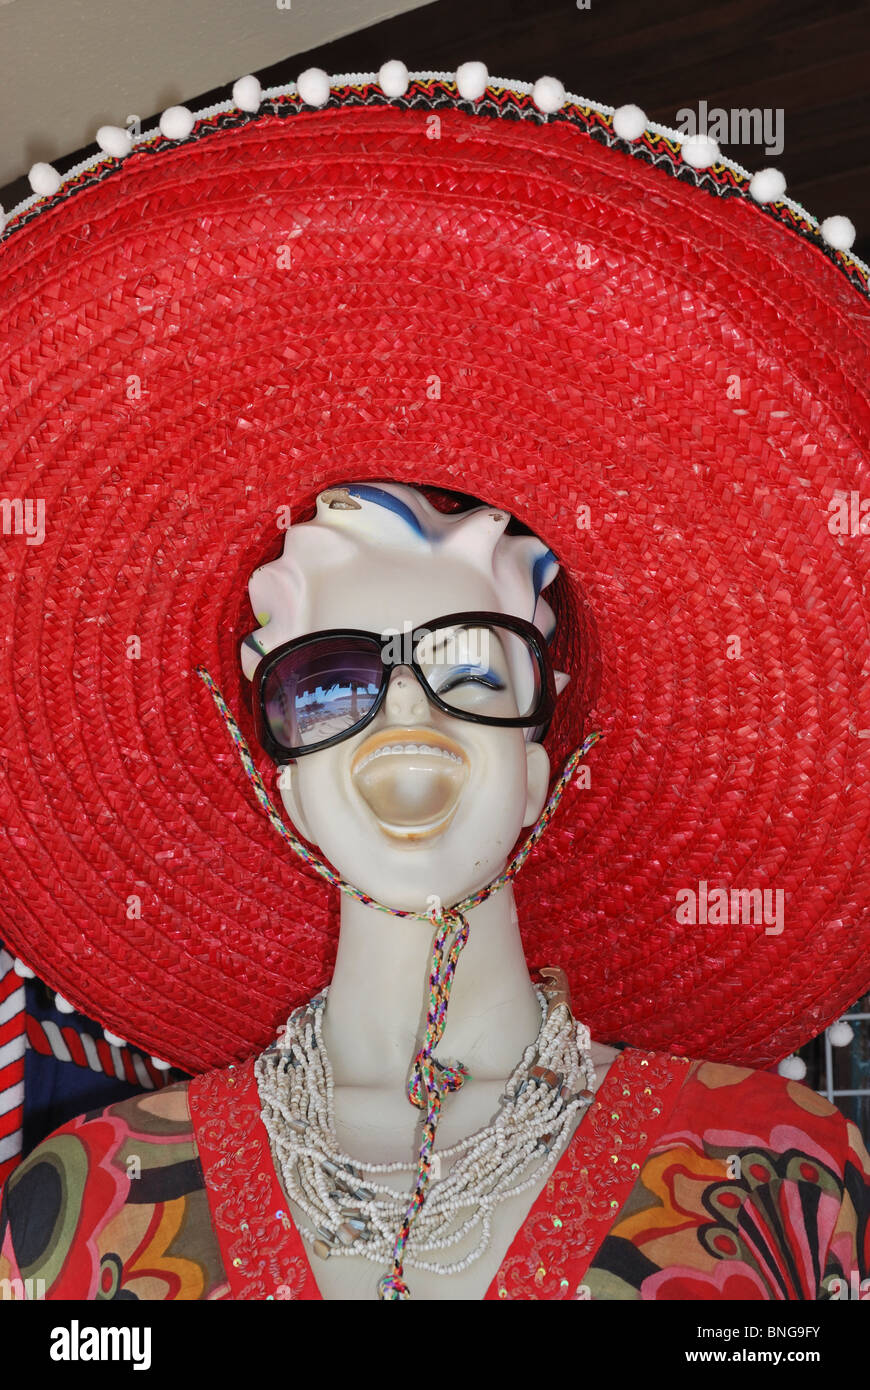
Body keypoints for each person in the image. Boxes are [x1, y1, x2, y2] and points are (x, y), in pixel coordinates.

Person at [0, 67, 868, 1301]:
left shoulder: (783, 1176)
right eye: (332, 682)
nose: (405, 719)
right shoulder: (86, 1208)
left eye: (470, 667)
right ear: (276, 777)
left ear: (541, 756)